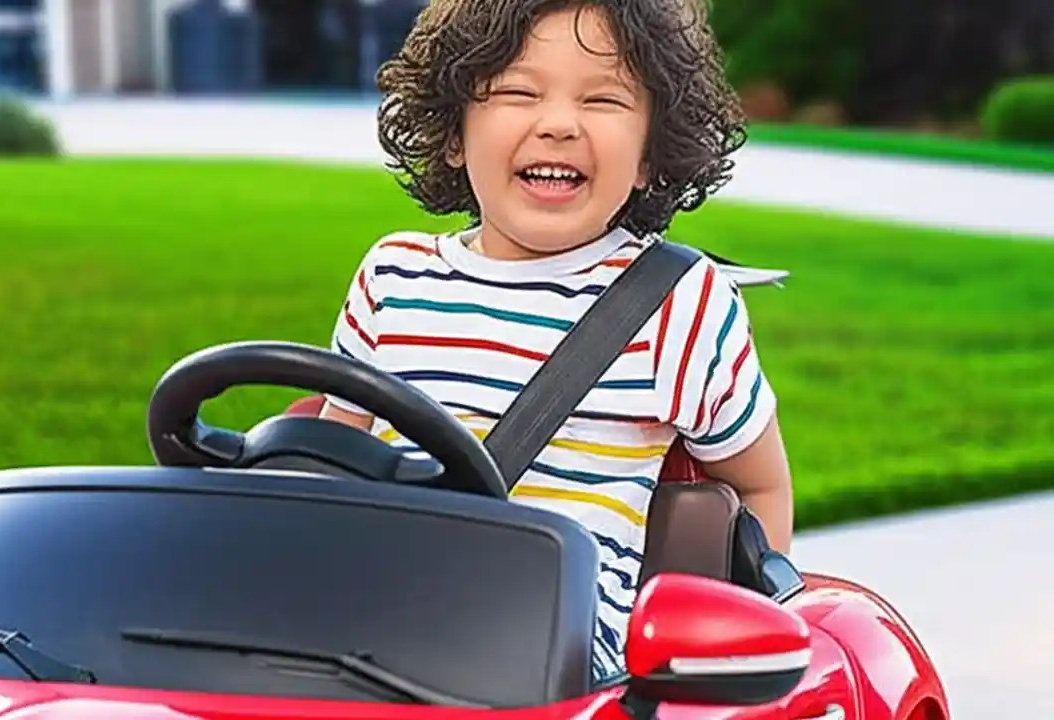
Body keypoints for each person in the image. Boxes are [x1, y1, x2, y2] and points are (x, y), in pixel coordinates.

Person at [319, 0, 794, 683]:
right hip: (367, 635)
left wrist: (734, 639)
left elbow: (760, 489)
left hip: (552, 665)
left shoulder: (680, 305)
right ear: (454, 132)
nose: (559, 124)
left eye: (603, 99)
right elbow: (331, 472)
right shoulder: (393, 276)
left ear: (649, 155)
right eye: (518, 92)